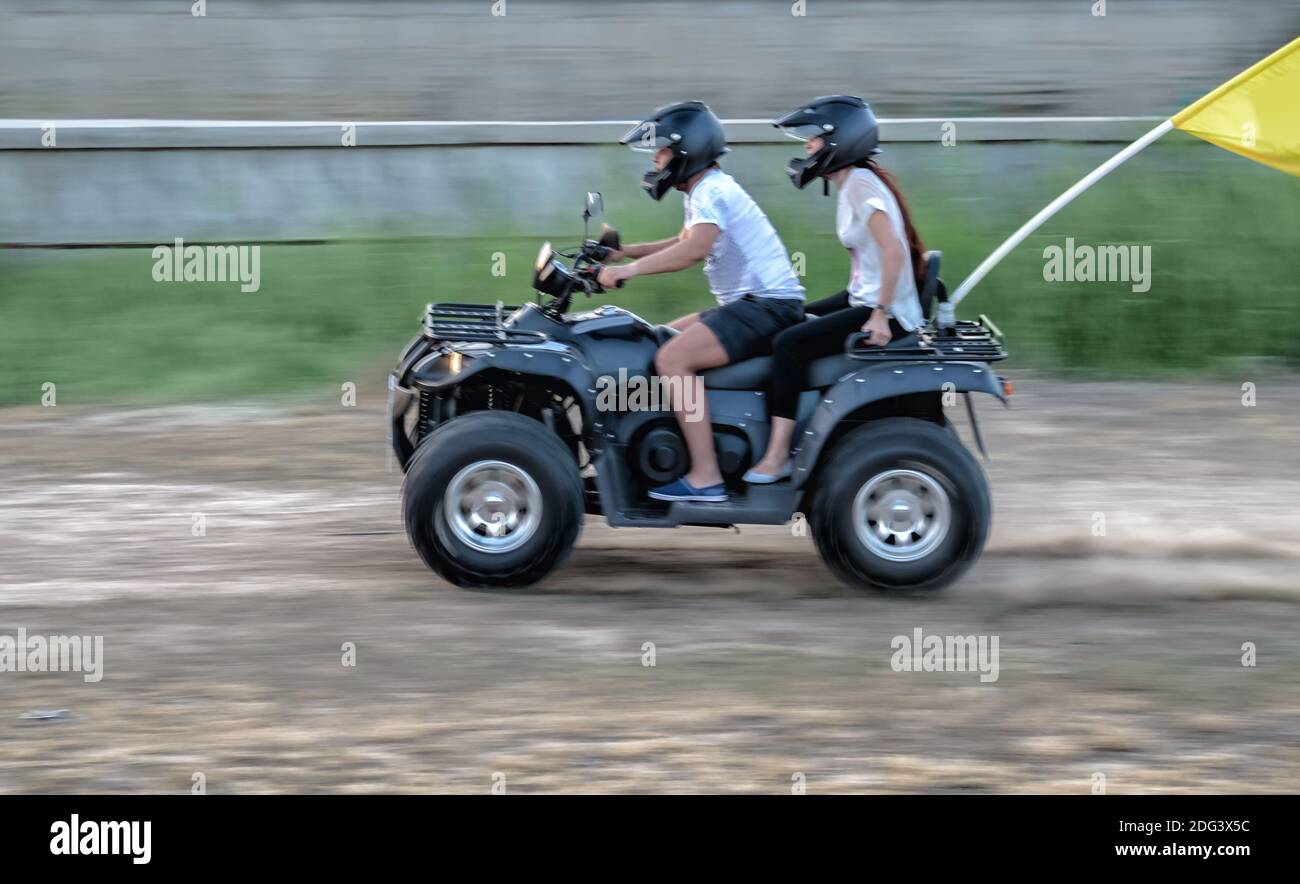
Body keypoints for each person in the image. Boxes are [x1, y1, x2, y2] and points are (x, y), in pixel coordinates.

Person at [597, 101, 805, 502]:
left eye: (662, 150)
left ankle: (706, 475)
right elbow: (683, 240)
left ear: (687, 150)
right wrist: (625, 253)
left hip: (767, 307)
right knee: (659, 337)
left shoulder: (711, 190)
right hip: (752, 305)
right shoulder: (706, 189)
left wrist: (628, 273)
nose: (656, 159)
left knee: (672, 359)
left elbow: (696, 250)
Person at [743, 95, 928, 484]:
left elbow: (893, 249)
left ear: (839, 142)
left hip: (884, 310)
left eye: (813, 139)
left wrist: (879, 315)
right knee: (792, 319)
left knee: (787, 346)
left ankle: (778, 456)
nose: (807, 147)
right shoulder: (853, 183)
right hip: (867, 298)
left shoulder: (860, 185)